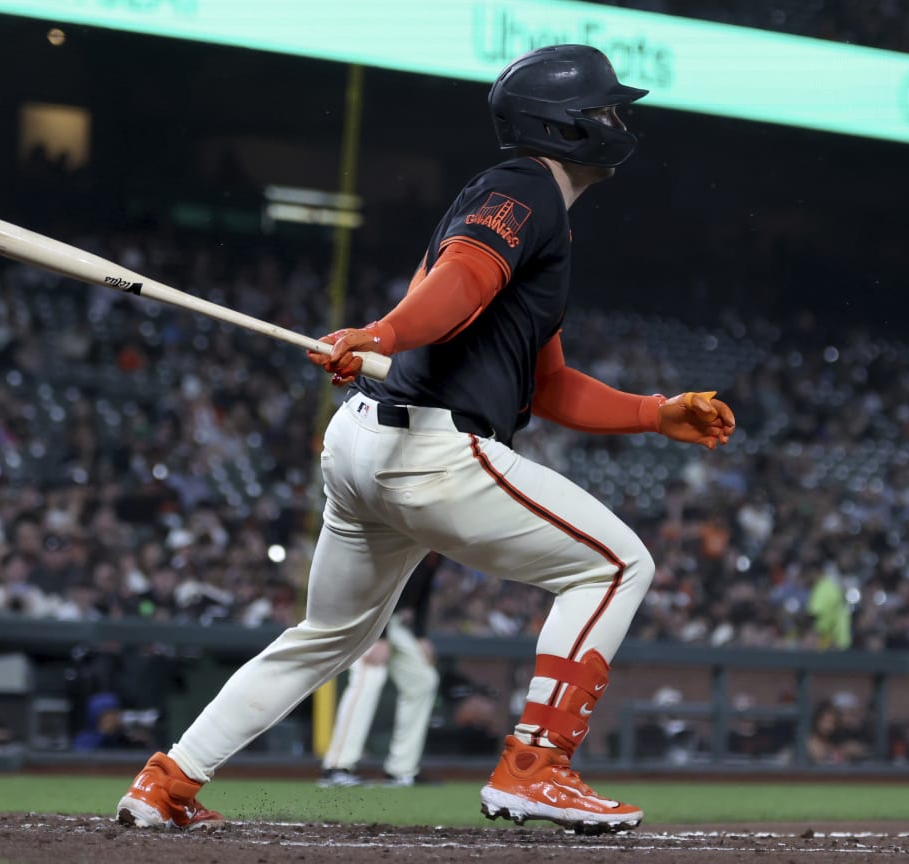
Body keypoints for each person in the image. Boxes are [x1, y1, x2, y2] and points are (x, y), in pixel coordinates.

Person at [114, 44, 736, 835]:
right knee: (618, 565)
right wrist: (383, 332)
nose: (618, 122)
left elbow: (546, 384)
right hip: (429, 452)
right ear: (567, 125)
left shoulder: (531, 208)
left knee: (327, 637)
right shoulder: (524, 188)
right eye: (605, 109)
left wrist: (654, 413)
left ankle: (168, 780)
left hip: (367, 445)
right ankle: (537, 766)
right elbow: (464, 279)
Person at [318, 552, 440, 788]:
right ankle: (336, 767)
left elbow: (424, 588)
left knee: (423, 680)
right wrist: (379, 636)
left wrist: (421, 634)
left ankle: (401, 771)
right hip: (361, 612)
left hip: (390, 619)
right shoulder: (409, 533)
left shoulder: (439, 544)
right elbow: (378, 578)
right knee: (370, 676)